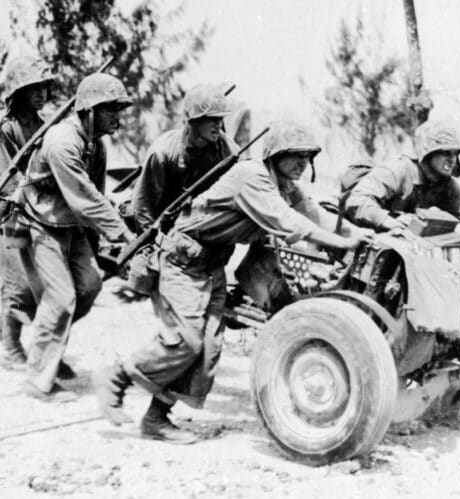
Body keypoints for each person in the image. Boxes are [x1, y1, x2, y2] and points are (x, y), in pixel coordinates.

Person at [94, 120, 370, 443]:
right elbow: (289, 223)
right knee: (185, 341)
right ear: (275, 155)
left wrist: (363, 236)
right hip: (182, 260)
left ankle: (156, 419)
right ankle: (118, 376)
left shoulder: (285, 185)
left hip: (212, 264)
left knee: (206, 351)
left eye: (308, 156)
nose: (302, 163)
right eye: (295, 155)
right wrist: (342, 244)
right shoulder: (252, 177)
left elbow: (316, 216)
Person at [16, 72, 135, 400]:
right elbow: (85, 198)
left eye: (118, 109)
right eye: (110, 109)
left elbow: (97, 193)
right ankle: (38, 379)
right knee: (61, 298)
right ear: (89, 110)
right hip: (40, 222)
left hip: (71, 224)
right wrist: (123, 234)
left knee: (90, 285)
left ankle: (49, 351)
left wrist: (107, 235)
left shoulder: (95, 144)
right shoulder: (62, 141)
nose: (117, 117)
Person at [344, 121, 460, 244]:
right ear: (428, 154)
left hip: (401, 242)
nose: (452, 159)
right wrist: (389, 221)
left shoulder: (445, 183)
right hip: (361, 238)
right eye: (445, 153)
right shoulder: (398, 170)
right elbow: (356, 201)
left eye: (455, 153)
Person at [0, 57, 53, 367]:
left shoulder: (45, 125)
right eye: (34, 88)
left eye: (44, 88)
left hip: (38, 208)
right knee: (17, 281)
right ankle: (10, 345)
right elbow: (6, 176)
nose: (41, 94)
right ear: (18, 91)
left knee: (39, 281)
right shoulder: (6, 128)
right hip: (11, 211)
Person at [132, 84, 237, 232]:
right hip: (160, 226)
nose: (218, 124)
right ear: (193, 120)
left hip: (197, 225)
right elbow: (143, 207)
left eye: (220, 118)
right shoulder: (163, 152)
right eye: (212, 118)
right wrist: (150, 239)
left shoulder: (227, 149)